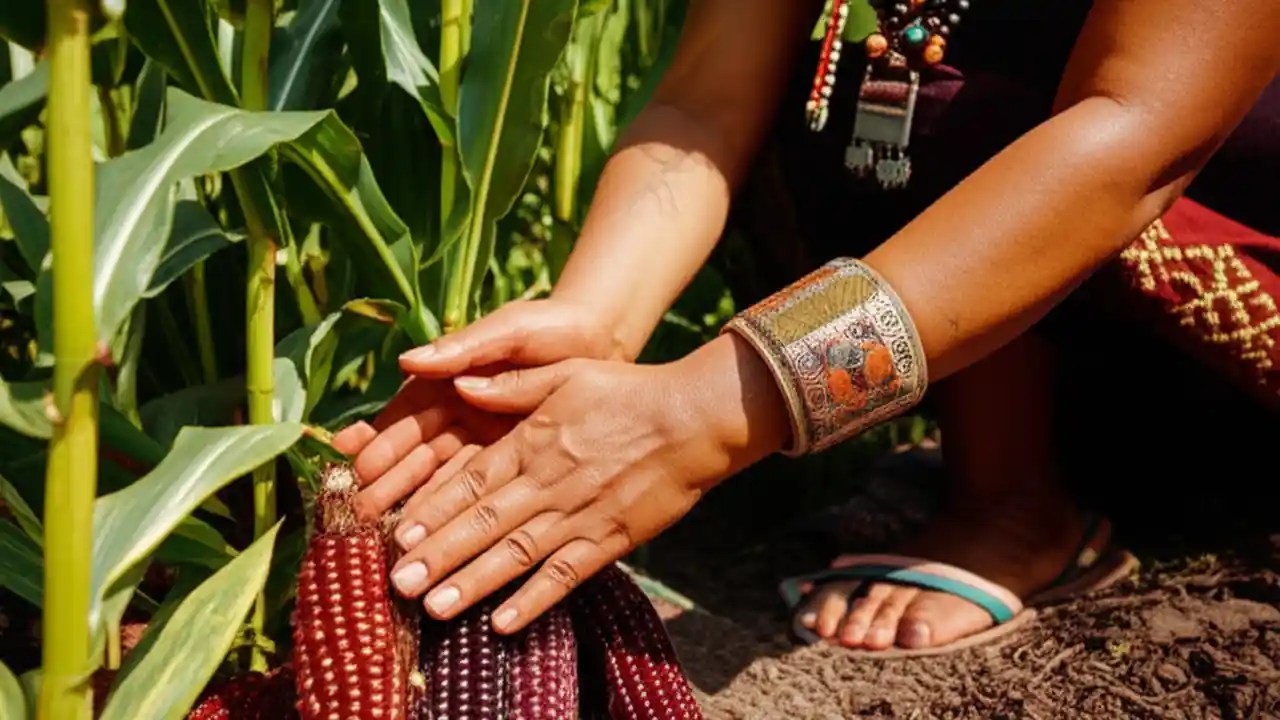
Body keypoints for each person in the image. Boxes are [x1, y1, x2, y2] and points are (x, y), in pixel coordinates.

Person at [333, 0, 1280, 655]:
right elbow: (702, 104)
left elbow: (1137, 138)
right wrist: (593, 318)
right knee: (878, 75)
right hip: (1025, 326)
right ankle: (997, 459)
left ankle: (1014, 504)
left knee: (988, 84)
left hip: (1215, 323)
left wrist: (702, 412)